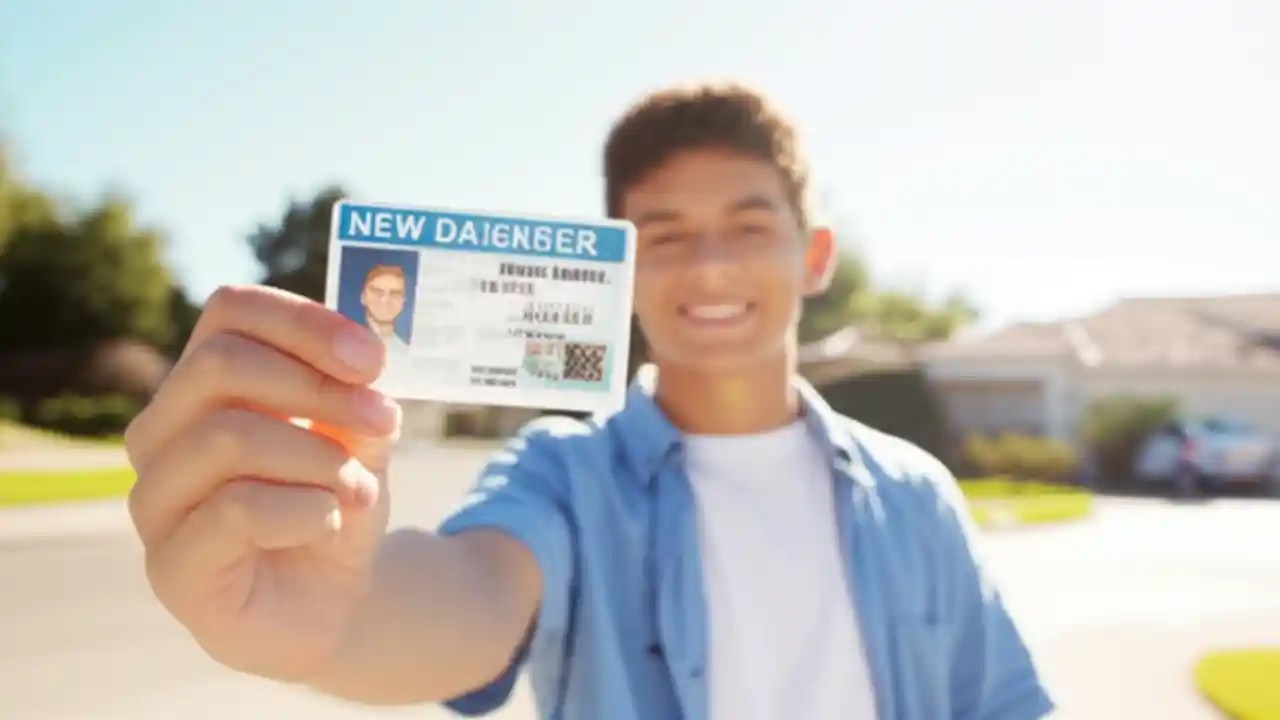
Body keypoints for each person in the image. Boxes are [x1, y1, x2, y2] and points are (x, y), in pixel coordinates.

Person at [124, 82, 1054, 719]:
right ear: (614, 267)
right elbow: (476, 591)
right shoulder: (563, 474)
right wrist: (337, 626)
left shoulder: (917, 493)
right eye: (665, 233)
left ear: (814, 256)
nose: (711, 263)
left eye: (748, 223)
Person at [358, 263, 410, 354]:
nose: (385, 300)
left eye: (395, 294)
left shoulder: (405, 352)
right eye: (377, 292)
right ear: (363, 297)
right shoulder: (345, 342)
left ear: (402, 302)